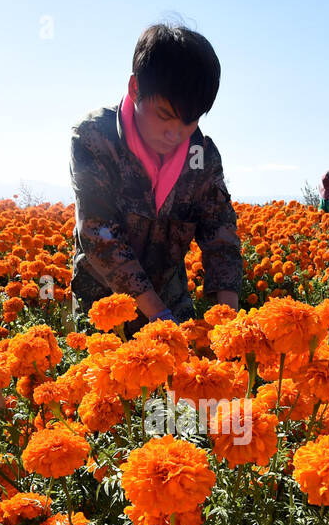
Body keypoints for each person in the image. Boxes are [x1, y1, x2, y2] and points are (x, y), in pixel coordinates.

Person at [69, 23, 242, 336]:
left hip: (169, 293)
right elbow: (99, 233)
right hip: (106, 299)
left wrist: (230, 324)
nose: (175, 134)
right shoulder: (95, 138)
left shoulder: (200, 155)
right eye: (164, 115)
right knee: (107, 382)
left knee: (179, 384)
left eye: (189, 122)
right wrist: (157, 314)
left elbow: (220, 232)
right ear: (135, 89)